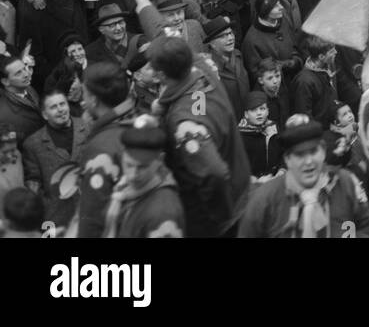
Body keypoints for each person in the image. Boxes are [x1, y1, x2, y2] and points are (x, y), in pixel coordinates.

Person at [151, 36, 250, 238]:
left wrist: (219, 218)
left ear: (160, 75)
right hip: (241, 195)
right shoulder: (203, 68)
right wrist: (141, 3)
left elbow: (214, 172)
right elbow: (163, 30)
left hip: (215, 222)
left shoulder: (184, 123)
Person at [238, 116, 369, 237]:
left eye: (313, 151)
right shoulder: (265, 200)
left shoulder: (345, 183)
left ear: (322, 150)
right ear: (288, 159)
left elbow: (366, 227)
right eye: (300, 155)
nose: (308, 161)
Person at [76, 61, 139, 239]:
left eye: (84, 94)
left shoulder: (99, 149)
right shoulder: (140, 119)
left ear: (94, 100)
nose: (82, 101)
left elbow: (93, 217)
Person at [103, 117, 185, 238]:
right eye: (129, 165)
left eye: (143, 167)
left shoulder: (163, 213)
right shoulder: (125, 186)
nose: (133, 174)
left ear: (160, 160)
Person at [20, 89, 90, 231]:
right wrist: (47, 207)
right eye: (53, 107)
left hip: (90, 210)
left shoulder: (88, 127)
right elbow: (33, 182)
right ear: (45, 115)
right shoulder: (33, 144)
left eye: (62, 104)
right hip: (56, 219)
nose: (60, 110)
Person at [242, 0, 301, 78]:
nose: (281, 7)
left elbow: (295, 47)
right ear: (265, 11)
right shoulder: (251, 40)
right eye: (276, 6)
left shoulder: (284, 22)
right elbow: (255, 73)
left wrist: (294, 62)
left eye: (280, 4)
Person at [204, 17, 250, 117]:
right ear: (211, 44)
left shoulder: (238, 55)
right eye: (222, 36)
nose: (230, 38)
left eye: (230, 33)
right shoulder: (209, 68)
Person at [289, 36, 338, 128]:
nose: (336, 52)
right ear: (321, 57)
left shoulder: (325, 70)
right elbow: (304, 117)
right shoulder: (304, 82)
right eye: (331, 51)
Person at [238, 91, 283, 181]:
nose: (259, 113)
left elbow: (283, 153)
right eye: (253, 110)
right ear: (246, 114)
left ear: (268, 111)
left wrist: (281, 171)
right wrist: (254, 180)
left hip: (275, 179)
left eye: (262, 109)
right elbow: (236, 165)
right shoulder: (239, 135)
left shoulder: (273, 128)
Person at [0, 51, 42, 145]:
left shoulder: (29, 89)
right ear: (6, 81)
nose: (26, 74)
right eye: (18, 73)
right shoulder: (3, 115)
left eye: (24, 69)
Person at [86, 4, 143, 71]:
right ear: (101, 29)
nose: (118, 28)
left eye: (121, 22)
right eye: (112, 25)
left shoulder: (140, 42)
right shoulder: (91, 52)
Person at [253, 58, 290, 129]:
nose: (275, 81)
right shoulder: (258, 103)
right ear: (261, 80)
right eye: (270, 78)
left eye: (277, 76)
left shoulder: (283, 91)